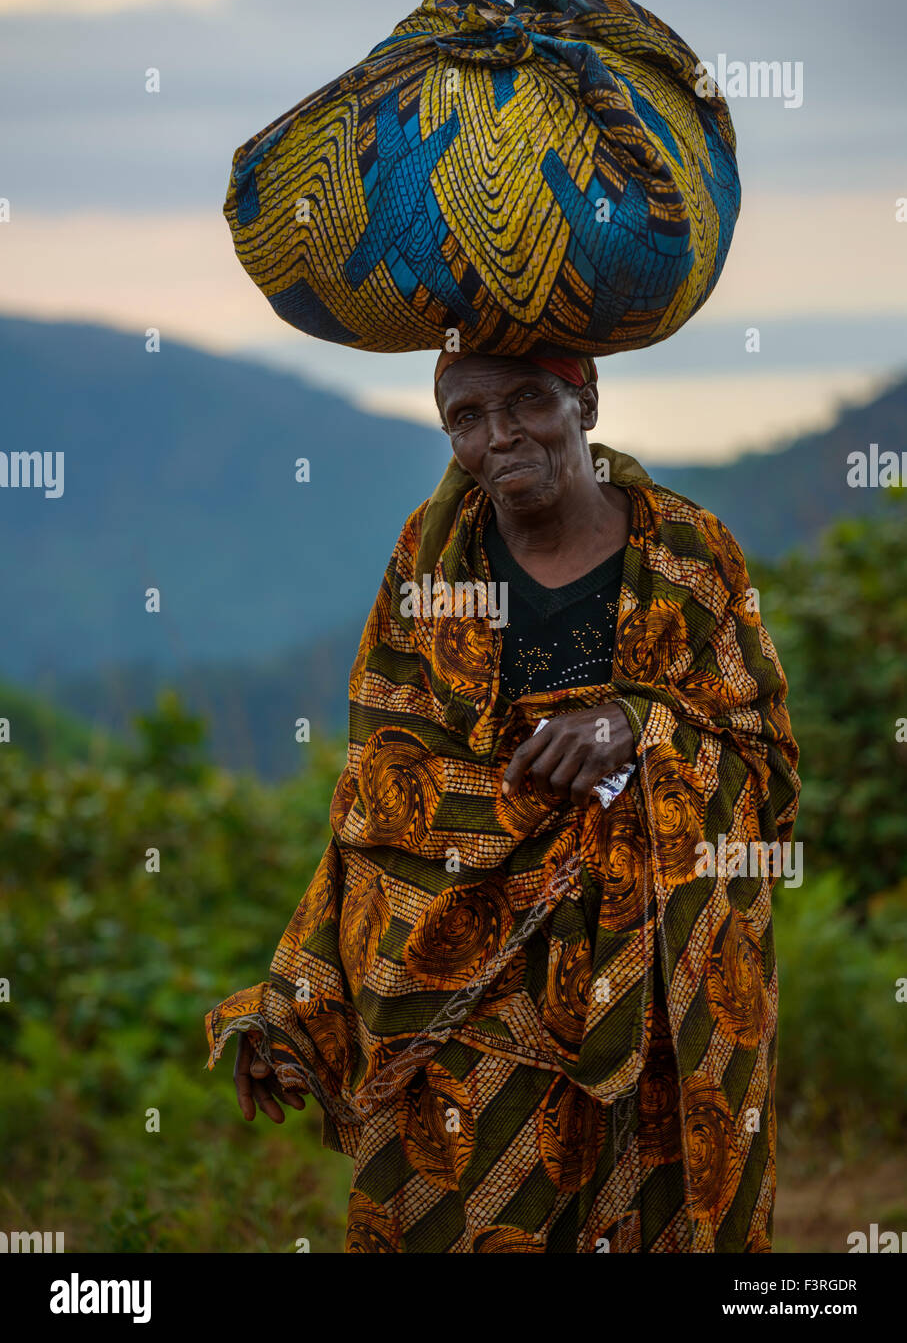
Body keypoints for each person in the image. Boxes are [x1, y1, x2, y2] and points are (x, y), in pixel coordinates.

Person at [205, 346, 800, 1253]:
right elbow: (381, 795)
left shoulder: (686, 552)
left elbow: (762, 761)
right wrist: (296, 999)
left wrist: (634, 728)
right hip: (463, 978)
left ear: (586, 402)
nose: (498, 436)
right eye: (466, 417)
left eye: (527, 402)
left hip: (648, 989)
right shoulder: (429, 558)